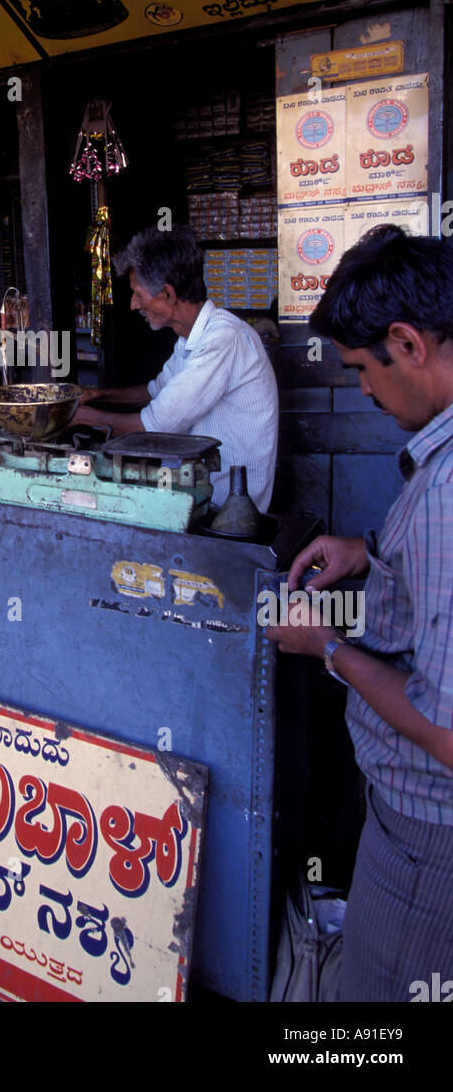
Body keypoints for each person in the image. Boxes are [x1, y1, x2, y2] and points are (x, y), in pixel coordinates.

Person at [268, 225, 453, 1002]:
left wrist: (328, 650)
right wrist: (369, 548)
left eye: (361, 371)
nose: (366, 395)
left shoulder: (447, 490)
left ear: (405, 343)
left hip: (426, 836)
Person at [75, 224, 279, 511]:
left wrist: (79, 417)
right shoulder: (191, 338)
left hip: (226, 510)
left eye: (137, 293)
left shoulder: (222, 339)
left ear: (168, 295)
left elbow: (155, 424)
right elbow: (155, 391)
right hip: (198, 494)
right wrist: (95, 396)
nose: (133, 304)